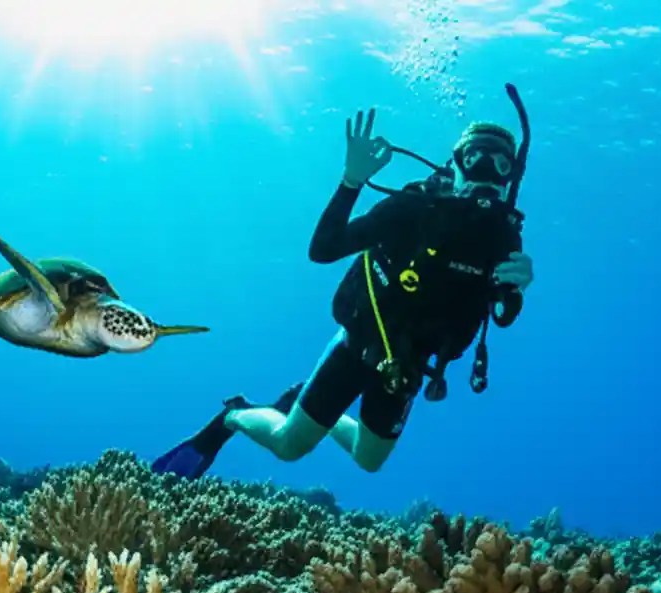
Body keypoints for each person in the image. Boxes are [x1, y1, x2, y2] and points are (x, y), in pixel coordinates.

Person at [152, 88, 536, 479]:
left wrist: (519, 285)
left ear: (513, 177)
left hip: (407, 369)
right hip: (358, 346)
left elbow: (501, 314)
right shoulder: (413, 210)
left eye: (501, 164)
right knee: (288, 446)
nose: (486, 172)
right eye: (474, 159)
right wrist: (351, 182)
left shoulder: (504, 238)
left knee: (368, 460)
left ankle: (305, 404)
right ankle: (232, 416)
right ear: (455, 165)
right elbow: (323, 249)